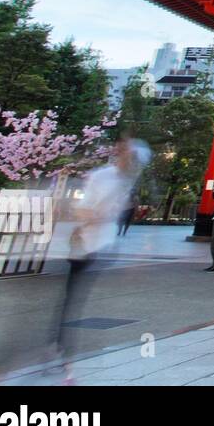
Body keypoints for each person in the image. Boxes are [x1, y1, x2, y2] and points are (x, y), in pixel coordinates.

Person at [60, 139, 150, 364]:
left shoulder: (126, 180)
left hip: (103, 244)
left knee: (77, 296)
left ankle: (64, 347)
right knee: (72, 297)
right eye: (130, 159)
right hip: (86, 242)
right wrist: (97, 217)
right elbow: (84, 209)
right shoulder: (103, 177)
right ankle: (61, 346)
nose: (133, 165)